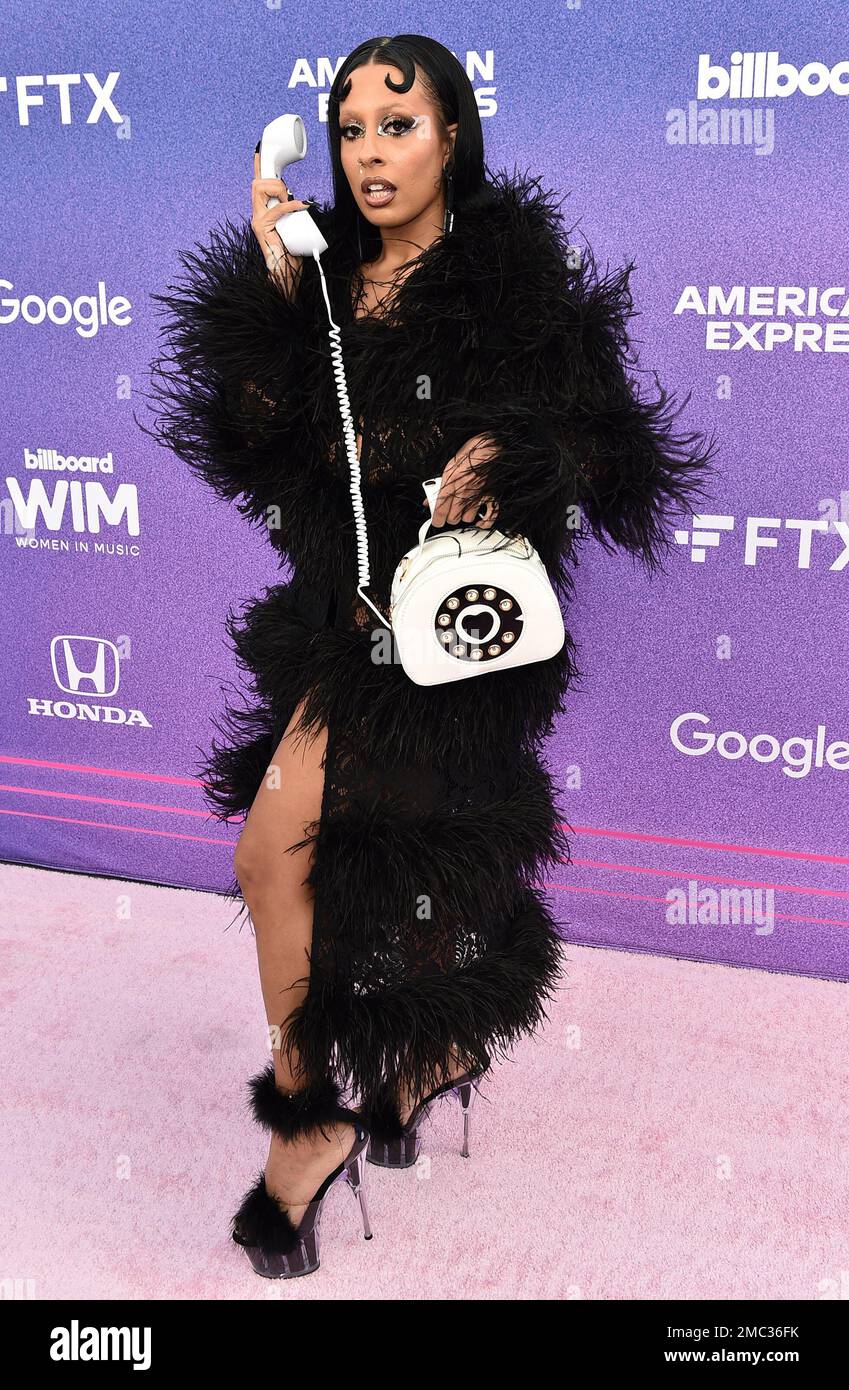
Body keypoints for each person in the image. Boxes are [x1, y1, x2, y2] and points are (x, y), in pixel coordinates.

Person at [140, 33, 718, 1279]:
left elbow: (611, 453)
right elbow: (263, 459)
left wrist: (516, 465)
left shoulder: (513, 282)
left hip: (454, 647)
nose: (366, 154)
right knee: (291, 854)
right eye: (348, 130)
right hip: (349, 626)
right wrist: (276, 305)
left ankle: (370, 1088)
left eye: (396, 126)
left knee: (386, 863)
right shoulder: (329, 277)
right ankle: (353, 1094)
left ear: (454, 133)